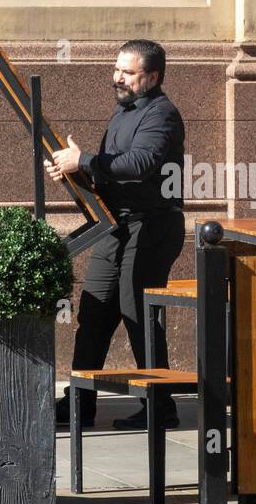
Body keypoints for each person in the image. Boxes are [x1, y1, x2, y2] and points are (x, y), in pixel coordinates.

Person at [46, 39, 186, 430]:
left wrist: (86, 160)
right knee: (94, 311)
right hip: (115, 226)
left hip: (152, 227)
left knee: (137, 312)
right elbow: (114, 169)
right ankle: (80, 402)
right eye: (116, 69)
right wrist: (78, 170)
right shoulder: (124, 110)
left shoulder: (162, 115)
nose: (117, 78)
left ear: (152, 77)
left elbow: (140, 164)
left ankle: (161, 406)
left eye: (127, 72)